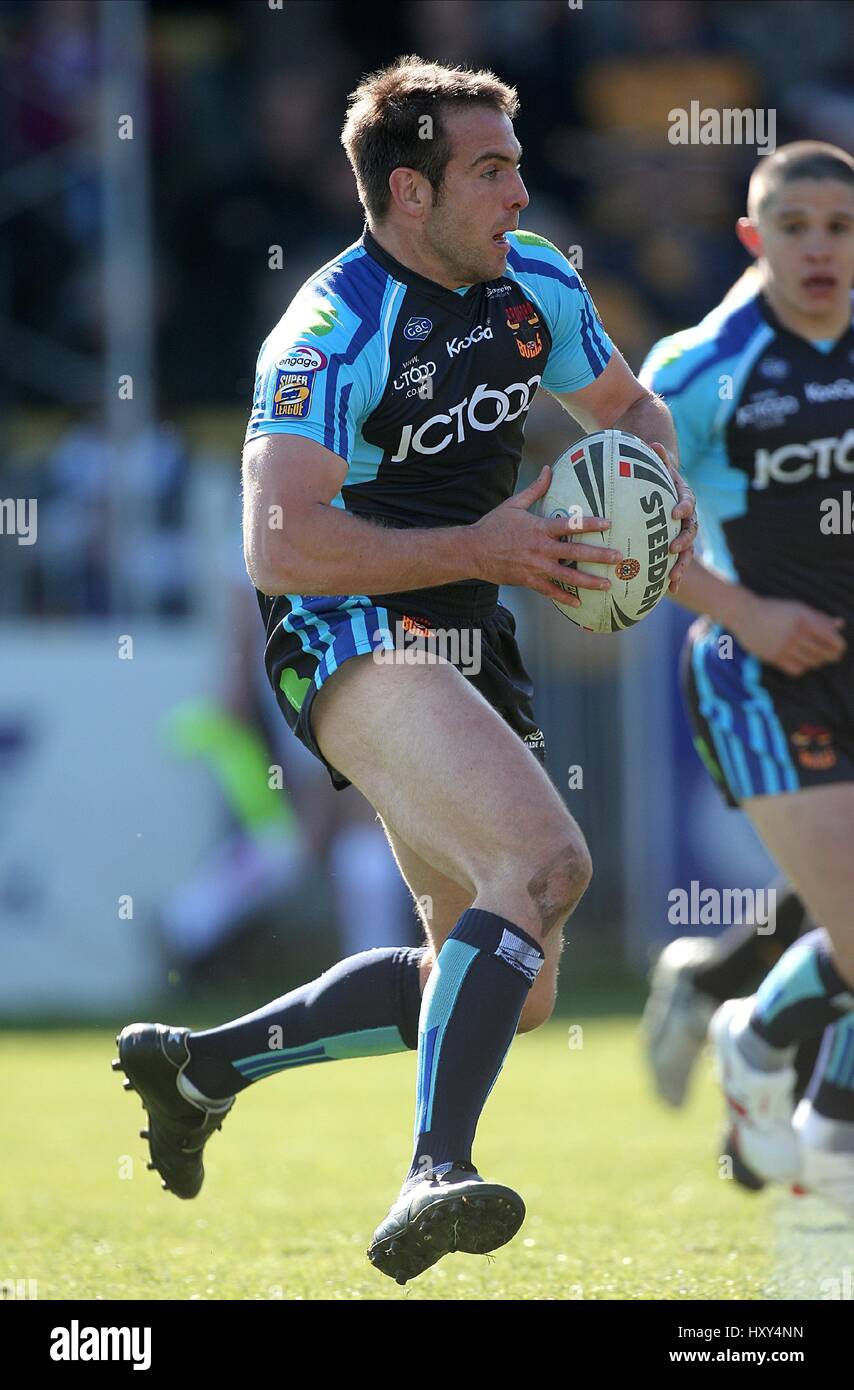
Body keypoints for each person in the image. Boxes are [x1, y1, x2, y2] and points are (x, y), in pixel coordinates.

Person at [113, 55, 694, 1285]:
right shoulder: (328, 331)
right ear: (410, 194)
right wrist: (482, 543)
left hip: (472, 630)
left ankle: (200, 1066)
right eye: (491, 171)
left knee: (499, 980)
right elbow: (276, 542)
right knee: (542, 865)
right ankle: (434, 1168)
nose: (521, 196)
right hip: (340, 625)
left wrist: (656, 485)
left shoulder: (535, 280)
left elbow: (630, 409)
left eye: (518, 165)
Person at [640, 142, 854, 1215]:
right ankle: (756, 1037)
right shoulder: (698, 369)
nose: (817, 247)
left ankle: (815, 1120)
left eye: (838, 226)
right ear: (750, 239)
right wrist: (746, 613)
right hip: (757, 674)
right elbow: (605, 524)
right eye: (793, 226)